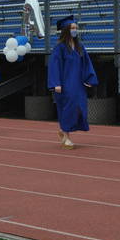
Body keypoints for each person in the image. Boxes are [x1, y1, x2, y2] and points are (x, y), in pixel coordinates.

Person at [47, 15, 98, 149]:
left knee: (79, 108)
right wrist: (56, 83)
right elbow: (54, 66)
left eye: (76, 28)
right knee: (68, 109)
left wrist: (89, 79)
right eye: (72, 28)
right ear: (66, 30)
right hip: (65, 84)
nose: (75, 30)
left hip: (78, 84)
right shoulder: (60, 48)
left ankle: (63, 130)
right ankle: (67, 137)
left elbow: (87, 64)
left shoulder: (80, 47)